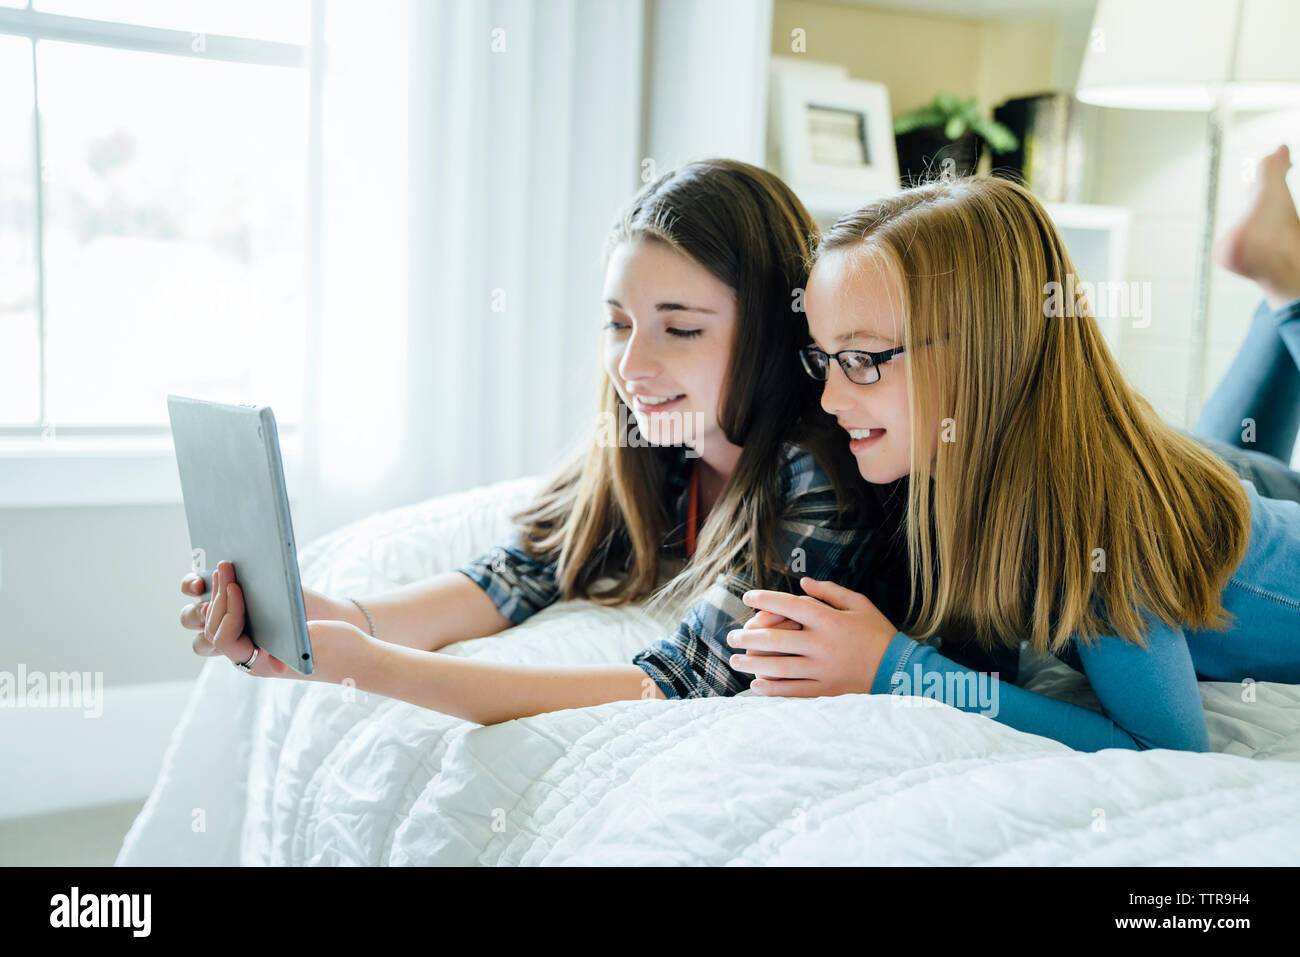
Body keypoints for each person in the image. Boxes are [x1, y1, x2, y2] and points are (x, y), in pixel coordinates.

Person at [179, 159, 888, 724]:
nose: (632, 365)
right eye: (618, 323)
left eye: (680, 328)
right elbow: (519, 572)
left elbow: (668, 685)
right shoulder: (664, 450)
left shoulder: (817, 479)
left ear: (773, 329)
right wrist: (318, 618)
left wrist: (369, 664)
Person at [734, 146, 1300, 752]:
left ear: (984, 356)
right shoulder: (961, 465)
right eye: (823, 358)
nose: (829, 399)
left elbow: (1163, 745)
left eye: (861, 359)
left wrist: (892, 669)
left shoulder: (1096, 516)